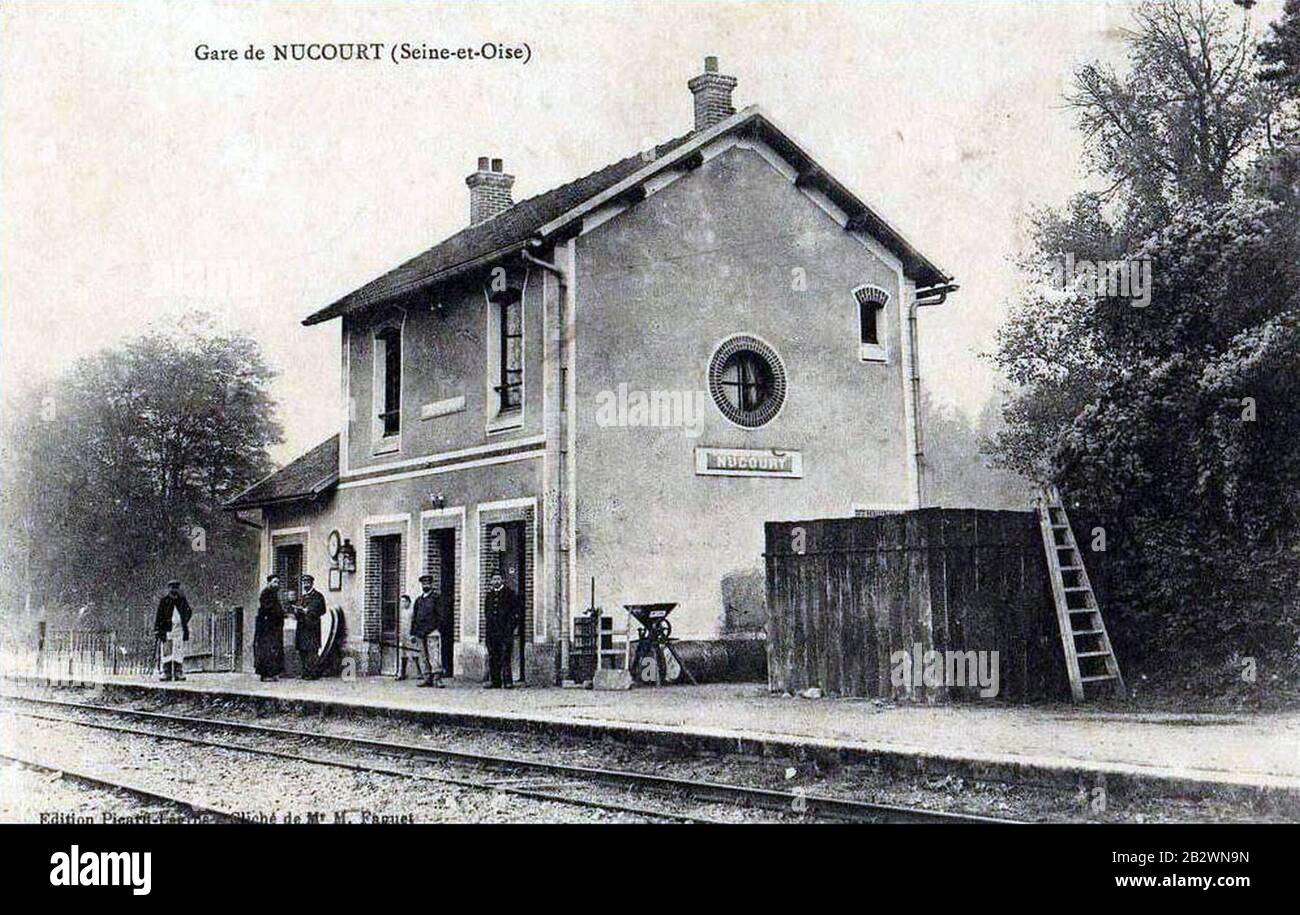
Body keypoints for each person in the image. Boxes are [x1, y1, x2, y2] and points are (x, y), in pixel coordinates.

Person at [483, 572, 521, 689]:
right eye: (494, 579)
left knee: (505, 656)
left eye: (498, 579)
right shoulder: (489, 595)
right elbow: (487, 612)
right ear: (491, 581)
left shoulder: (509, 594)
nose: (496, 581)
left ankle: (508, 681)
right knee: (493, 656)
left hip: (505, 632)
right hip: (492, 632)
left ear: (502, 580)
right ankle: (495, 681)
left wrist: (510, 628)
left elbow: (516, 613)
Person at [154, 579, 192, 682]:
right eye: (172, 587)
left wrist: (183, 620)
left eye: (176, 587)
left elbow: (189, 612)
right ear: (169, 589)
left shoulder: (182, 600)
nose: (174, 589)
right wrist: (157, 629)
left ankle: (178, 672)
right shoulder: (164, 601)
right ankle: (167, 672)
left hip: (179, 630)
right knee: (167, 651)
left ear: (178, 589)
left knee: (178, 651)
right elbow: (159, 616)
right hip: (167, 630)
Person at [410, 575, 445, 688]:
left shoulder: (436, 598)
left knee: (434, 656)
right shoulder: (418, 600)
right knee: (423, 656)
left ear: (431, 585)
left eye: (428, 584)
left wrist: (435, 628)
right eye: (424, 584)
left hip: (432, 631)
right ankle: (427, 677)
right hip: (420, 632)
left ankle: (437, 678)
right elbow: (414, 618)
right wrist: (413, 633)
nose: (426, 585)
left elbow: (440, 616)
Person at [293, 574, 326, 680]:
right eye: (304, 582)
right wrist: (297, 611)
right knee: (303, 651)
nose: (305, 584)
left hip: (312, 628)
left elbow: (322, 610)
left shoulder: (317, 596)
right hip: (302, 628)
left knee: (312, 651)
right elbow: (298, 612)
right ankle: (305, 672)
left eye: (307, 582)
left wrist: (309, 611)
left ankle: (313, 673)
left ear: (312, 583)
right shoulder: (302, 597)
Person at [254, 573, 285, 681]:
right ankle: (265, 675)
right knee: (266, 650)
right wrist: (280, 613)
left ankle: (272, 673)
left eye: (278, 582)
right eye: (275, 582)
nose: (277, 584)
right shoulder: (266, 594)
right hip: (267, 627)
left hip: (273, 627)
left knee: (273, 650)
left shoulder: (273, 594)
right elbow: (269, 609)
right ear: (269, 583)